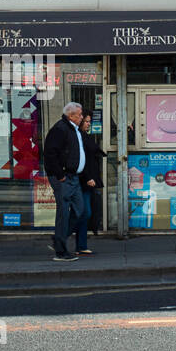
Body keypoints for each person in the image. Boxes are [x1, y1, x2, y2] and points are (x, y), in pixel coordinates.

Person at [42, 102, 85, 261]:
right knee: (63, 213)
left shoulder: (73, 129)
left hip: (74, 177)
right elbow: (50, 154)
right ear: (71, 116)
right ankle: (61, 252)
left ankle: (59, 238)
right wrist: (60, 175)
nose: (81, 117)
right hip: (63, 178)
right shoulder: (60, 129)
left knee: (80, 210)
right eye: (79, 115)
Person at [74, 114, 108, 253]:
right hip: (83, 180)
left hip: (89, 180)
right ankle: (62, 237)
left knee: (85, 212)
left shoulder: (85, 136)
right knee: (84, 212)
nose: (89, 124)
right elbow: (81, 161)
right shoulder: (78, 137)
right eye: (86, 121)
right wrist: (88, 177)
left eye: (89, 121)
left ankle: (81, 245)